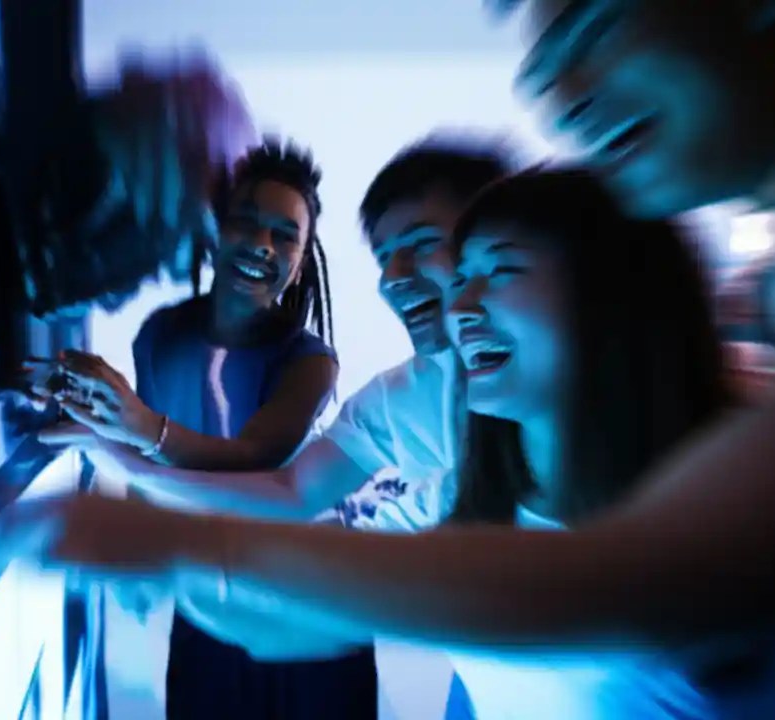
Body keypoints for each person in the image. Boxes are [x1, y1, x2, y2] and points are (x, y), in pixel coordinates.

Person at [0, 1, 775, 716]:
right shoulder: (468, 473)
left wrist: (178, 526)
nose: (446, 296)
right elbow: (300, 523)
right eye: (390, 259)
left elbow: (661, 575)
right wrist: (125, 486)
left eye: (597, 28)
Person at [69, 168, 737, 718]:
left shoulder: (721, 518)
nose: (460, 303)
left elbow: (267, 472)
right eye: (461, 274)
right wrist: (132, 499)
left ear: (608, 298)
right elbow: (300, 541)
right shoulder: (461, 489)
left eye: (498, 269)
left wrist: (145, 482)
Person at [45, 137, 379, 720]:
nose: (262, 243)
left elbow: (254, 457)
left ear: (302, 261)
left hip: (315, 607)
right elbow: (158, 472)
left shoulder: (309, 361)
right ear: (214, 229)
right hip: (207, 606)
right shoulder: (161, 335)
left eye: (285, 235)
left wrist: (136, 427)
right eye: (245, 221)